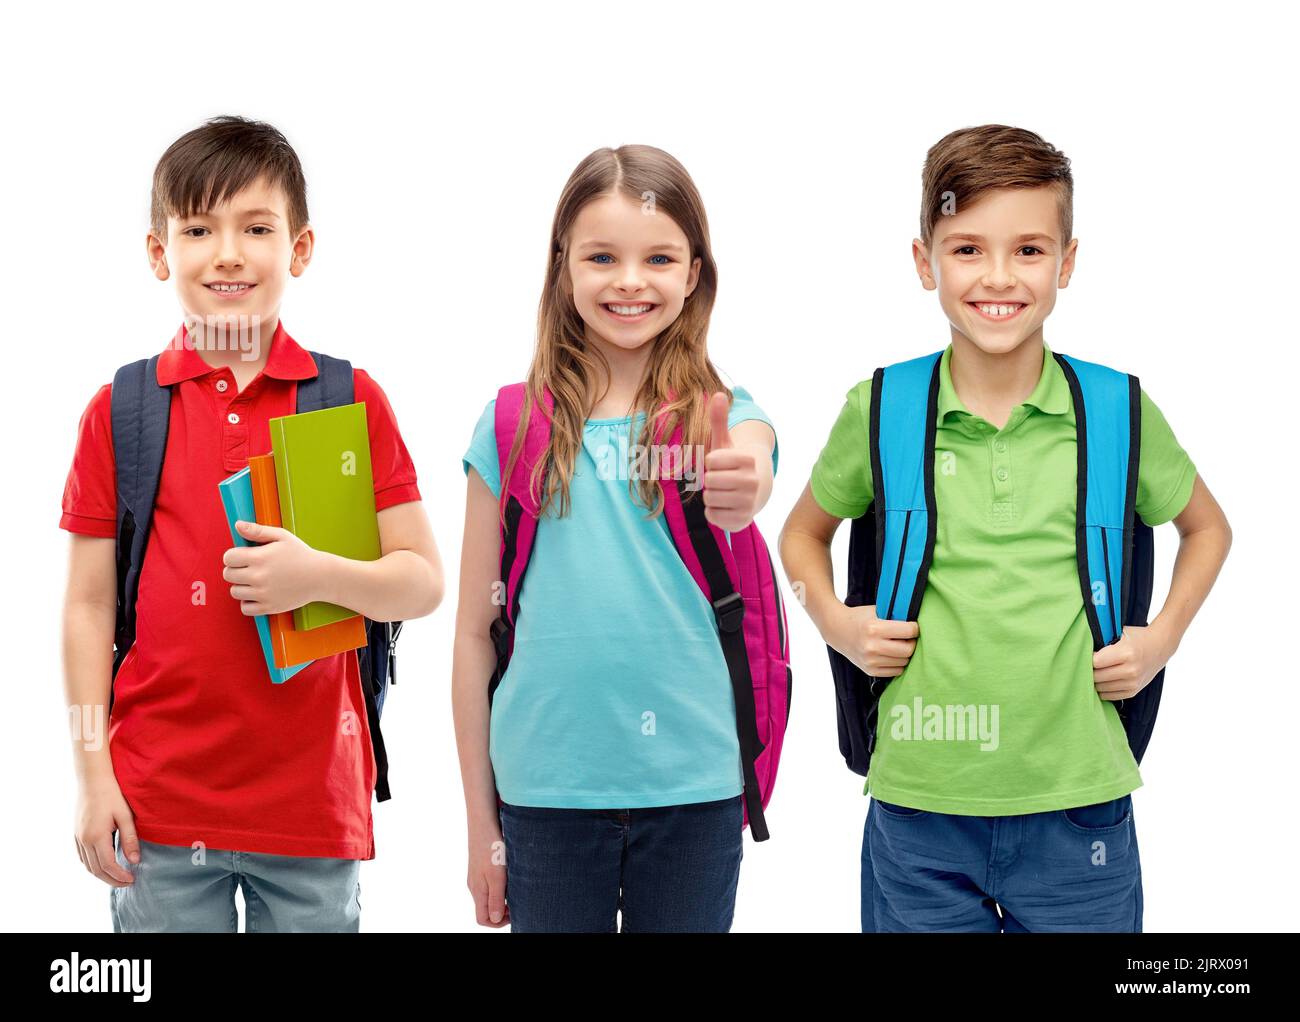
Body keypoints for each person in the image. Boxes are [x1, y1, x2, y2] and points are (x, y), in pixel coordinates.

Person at [779, 124, 1232, 932]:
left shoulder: (1116, 410)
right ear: (925, 262)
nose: (998, 277)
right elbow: (801, 534)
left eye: (1028, 250)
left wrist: (1160, 639)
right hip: (919, 805)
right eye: (966, 249)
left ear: (1067, 261)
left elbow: (1208, 529)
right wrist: (838, 625)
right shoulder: (881, 409)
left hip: (1080, 804)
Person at [60, 115, 443, 932]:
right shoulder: (123, 410)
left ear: (299, 250)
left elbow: (422, 582)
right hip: (157, 808)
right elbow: (88, 608)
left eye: (256, 228)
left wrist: (320, 577)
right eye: (199, 229)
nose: (227, 253)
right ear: (160, 252)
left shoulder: (348, 400)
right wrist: (95, 779)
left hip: (310, 809)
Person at [454, 145, 778, 932]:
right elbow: (471, 636)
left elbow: (753, 463)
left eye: (658, 257)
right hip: (543, 795)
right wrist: (478, 828)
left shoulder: (722, 414)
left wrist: (743, 481)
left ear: (694, 273)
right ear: (563, 268)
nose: (630, 281)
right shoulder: (508, 425)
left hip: (696, 788)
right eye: (602, 257)